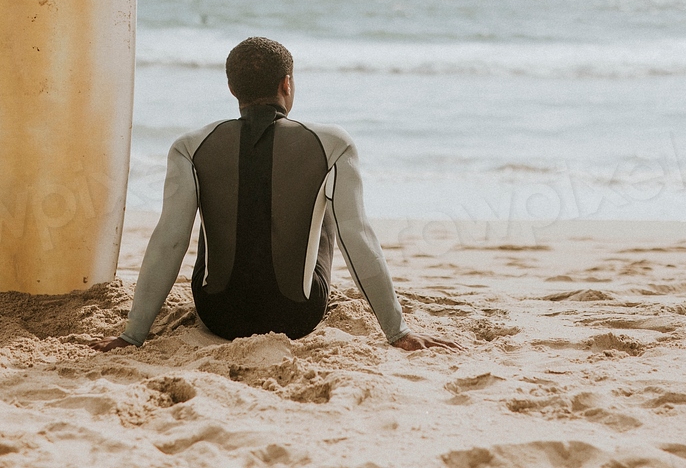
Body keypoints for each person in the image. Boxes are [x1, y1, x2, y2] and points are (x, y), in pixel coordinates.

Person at [92, 37, 460, 352]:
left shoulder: (189, 147)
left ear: (232, 89)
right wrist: (398, 331)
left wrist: (132, 335)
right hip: (297, 316)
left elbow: (170, 240)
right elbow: (357, 237)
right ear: (287, 83)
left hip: (218, 315)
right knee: (329, 208)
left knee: (209, 205)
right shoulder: (333, 144)